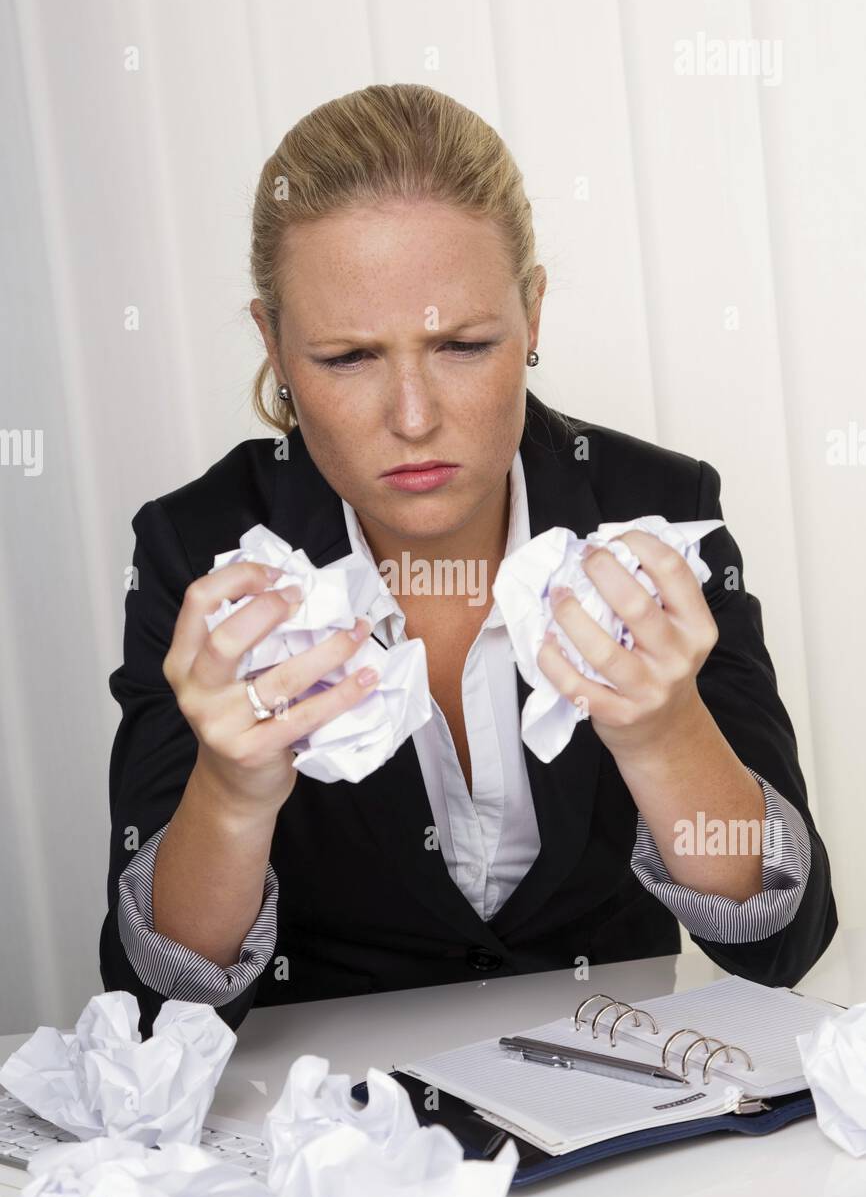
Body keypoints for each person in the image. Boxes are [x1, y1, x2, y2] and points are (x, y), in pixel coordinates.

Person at [100, 84, 836, 1037]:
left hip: (616, 1107)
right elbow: (158, 1008)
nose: (413, 418)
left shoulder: (656, 513)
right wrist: (233, 793)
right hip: (331, 1126)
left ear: (532, 314)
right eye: (348, 358)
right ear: (274, 345)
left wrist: (662, 733)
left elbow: (781, 943)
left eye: (462, 344)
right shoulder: (197, 551)